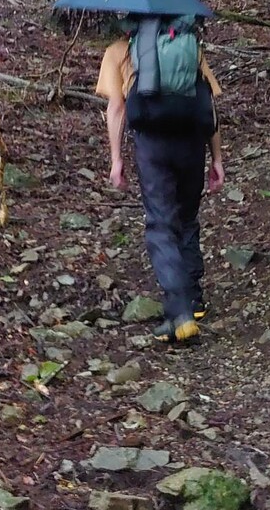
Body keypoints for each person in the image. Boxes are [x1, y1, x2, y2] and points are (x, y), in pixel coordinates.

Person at [96, 21, 225, 344]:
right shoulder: (187, 45)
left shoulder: (118, 51)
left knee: (160, 224)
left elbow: (116, 108)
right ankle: (194, 302)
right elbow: (208, 103)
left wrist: (116, 159)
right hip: (192, 142)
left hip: (153, 145)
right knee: (187, 218)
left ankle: (179, 312)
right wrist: (218, 159)